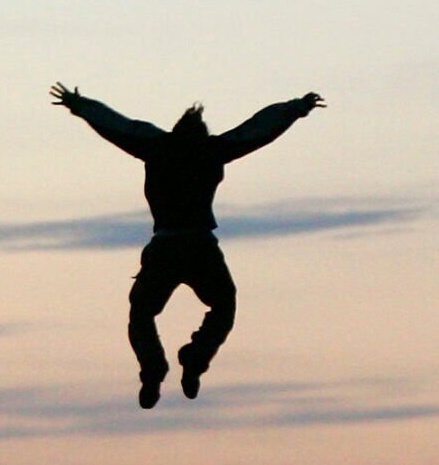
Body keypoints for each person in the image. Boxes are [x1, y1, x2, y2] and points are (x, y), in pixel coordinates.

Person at [50, 82, 325, 407]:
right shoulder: (212, 150)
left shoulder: (156, 146)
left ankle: (154, 368)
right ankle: (193, 359)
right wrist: (295, 108)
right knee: (223, 306)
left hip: (166, 245)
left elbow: (118, 125)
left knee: (142, 313)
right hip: (200, 247)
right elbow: (256, 130)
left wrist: (80, 105)